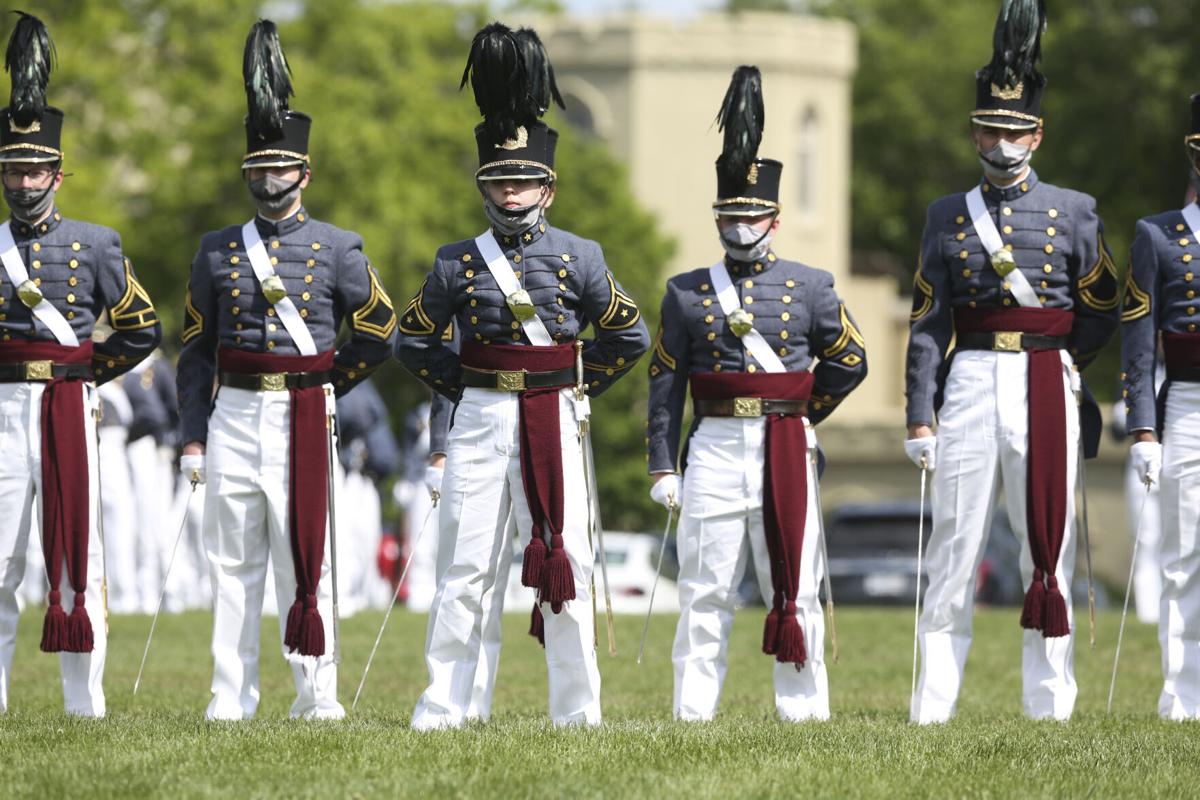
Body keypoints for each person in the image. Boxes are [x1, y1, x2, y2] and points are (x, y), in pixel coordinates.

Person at [396, 22, 649, 729]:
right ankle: (446, 707)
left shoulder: (583, 255)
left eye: (524, 182)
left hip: (555, 419)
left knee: (568, 567)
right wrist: (468, 384)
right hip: (478, 420)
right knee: (465, 573)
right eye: (500, 182)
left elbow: (629, 334)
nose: (511, 195)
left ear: (550, 188)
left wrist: (575, 385)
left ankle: (576, 712)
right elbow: (412, 342)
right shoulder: (456, 261)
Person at [904, 0, 1119, 723]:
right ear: (974, 133)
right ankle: (933, 707)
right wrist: (920, 412)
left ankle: (1050, 705)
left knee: (1045, 547)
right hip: (969, 378)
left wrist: (1062, 362)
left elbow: (1101, 307)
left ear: (1038, 134)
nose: (1002, 143)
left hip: (1044, 379)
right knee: (953, 550)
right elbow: (930, 320)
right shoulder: (946, 214)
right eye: (991, 131)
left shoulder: (1077, 209)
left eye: (1015, 131)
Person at [175, 20, 396, 721]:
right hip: (234, 412)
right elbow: (195, 350)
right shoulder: (215, 251)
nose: (270, 182)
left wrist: (329, 383)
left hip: (305, 413)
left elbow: (382, 328)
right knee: (233, 565)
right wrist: (192, 434)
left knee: (310, 559)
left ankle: (316, 695)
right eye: (259, 171)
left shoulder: (338, 247)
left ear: (305, 173)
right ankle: (228, 696)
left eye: (282, 170)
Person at [645, 66, 867, 722]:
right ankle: (693, 713)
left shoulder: (814, 284)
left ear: (773, 217)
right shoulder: (686, 291)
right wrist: (662, 462)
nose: (741, 225)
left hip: (784, 444)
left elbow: (849, 360)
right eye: (730, 214)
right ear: (718, 216)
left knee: (792, 584)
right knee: (704, 588)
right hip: (713, 444)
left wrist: (801, 416)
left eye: (752, 214)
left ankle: (803, 712)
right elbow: (665, 381)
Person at [0, 13, 161, 716]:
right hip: (3, 409)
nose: (24, 180)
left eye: (35, 168)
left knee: (78, 557)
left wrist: (86, 374)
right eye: (12, 168)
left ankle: (82, 702)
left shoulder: (96, 244)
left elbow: (141, 325)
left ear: (58, 173)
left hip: (69, 405)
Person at [1120, 90, 1200, 720]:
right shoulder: (1158, 235)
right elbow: (1140, 342)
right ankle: (1184, 693)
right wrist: (1144, 427)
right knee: (1184, 554)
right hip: (1190, 407)